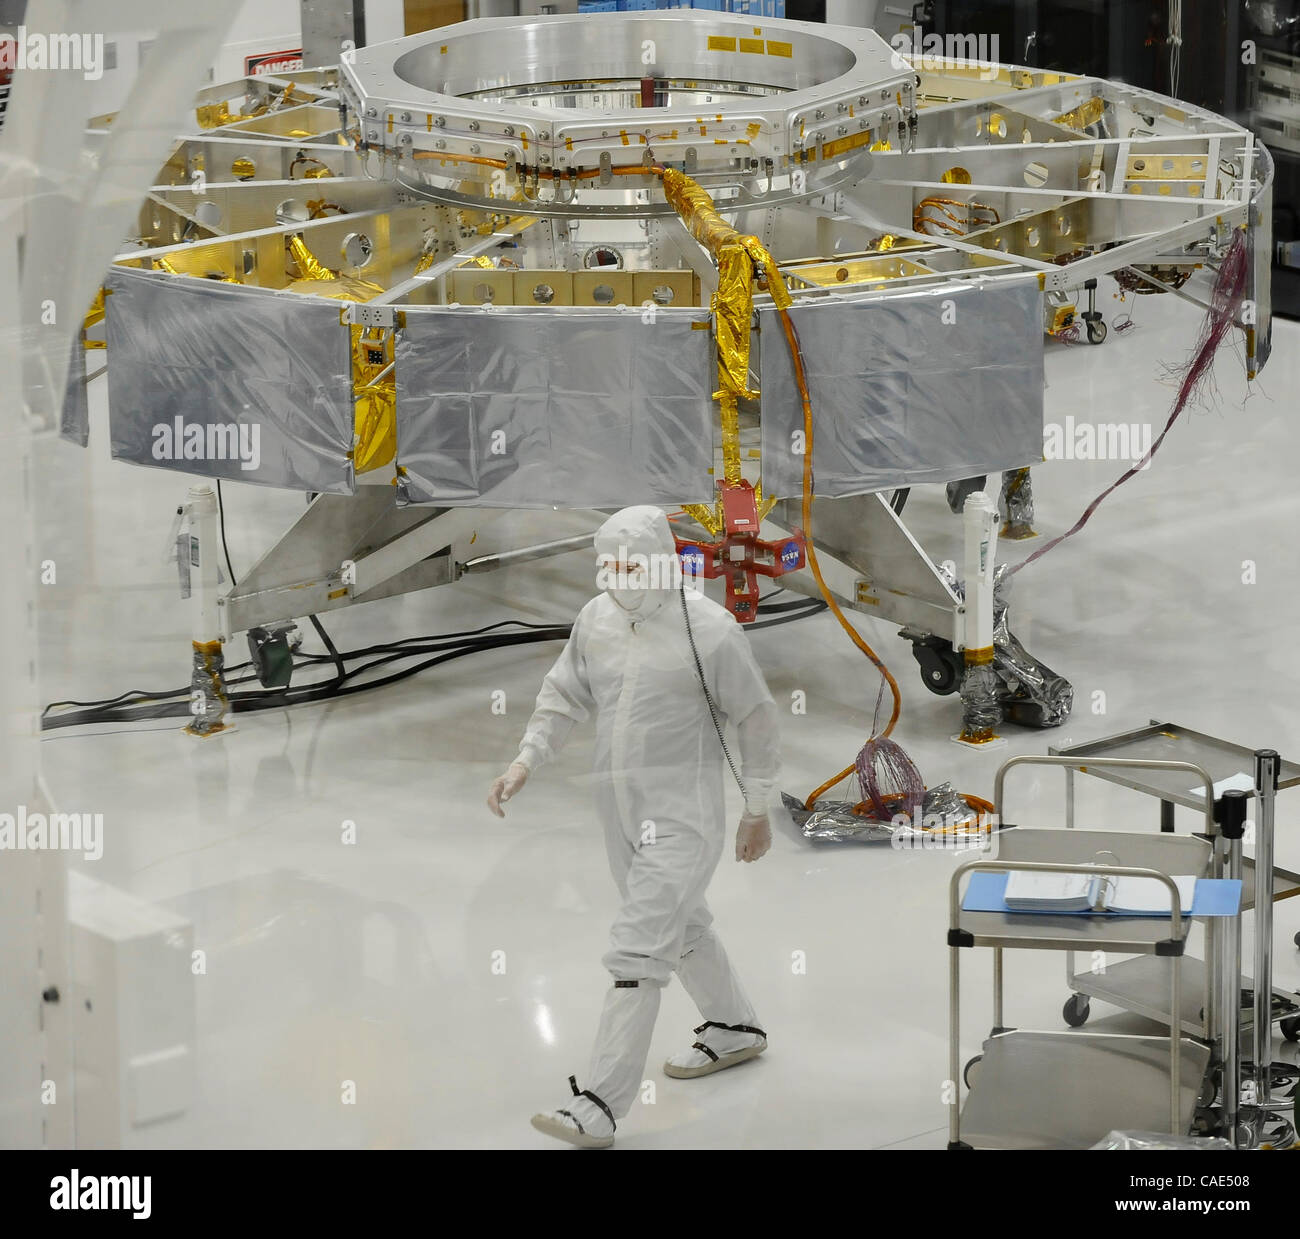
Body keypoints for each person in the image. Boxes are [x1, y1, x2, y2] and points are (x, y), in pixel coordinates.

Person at [487, 505, 780, 1148]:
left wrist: (757, 809)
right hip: (619, 814)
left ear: (659, 561)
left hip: (684, 820)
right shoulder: (597, 620)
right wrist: (525, 760)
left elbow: (755, 717)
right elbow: (565, 694)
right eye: (609, 565)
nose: (618, 575)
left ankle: (598, 1105)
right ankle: (734, 1028)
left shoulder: (711, 631)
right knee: (684, 927)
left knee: (637, 950)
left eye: (630, 564)